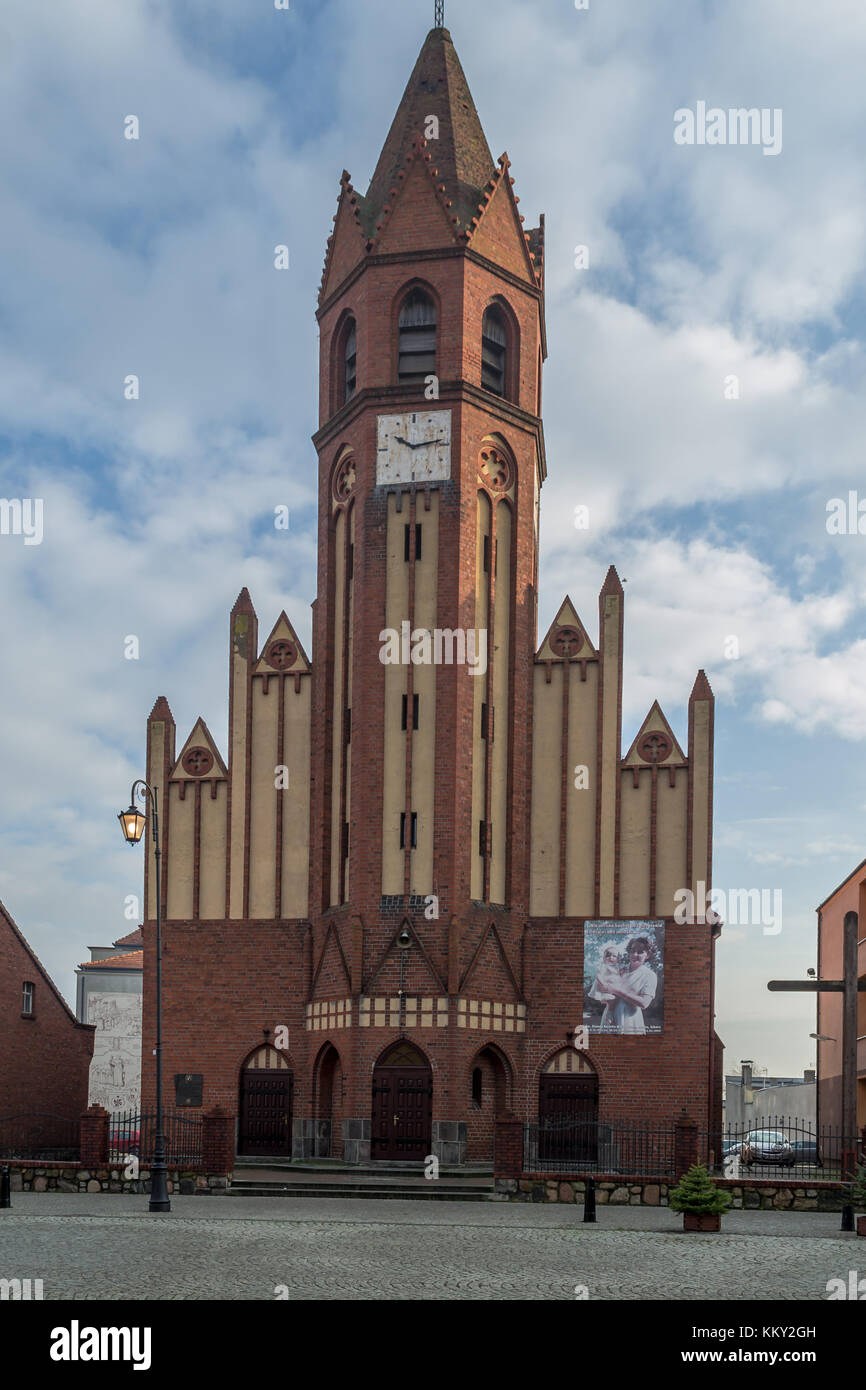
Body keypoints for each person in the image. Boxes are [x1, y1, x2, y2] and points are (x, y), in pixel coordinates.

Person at [600, 937, 658, 1034]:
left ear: (647, 955)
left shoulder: (649, 975)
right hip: (610, 1015)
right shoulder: (620, 969)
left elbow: (644, 1003)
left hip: (629, 1020)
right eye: (632, 951)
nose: (635, 954)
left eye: (640, 952)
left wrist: (617, 991)